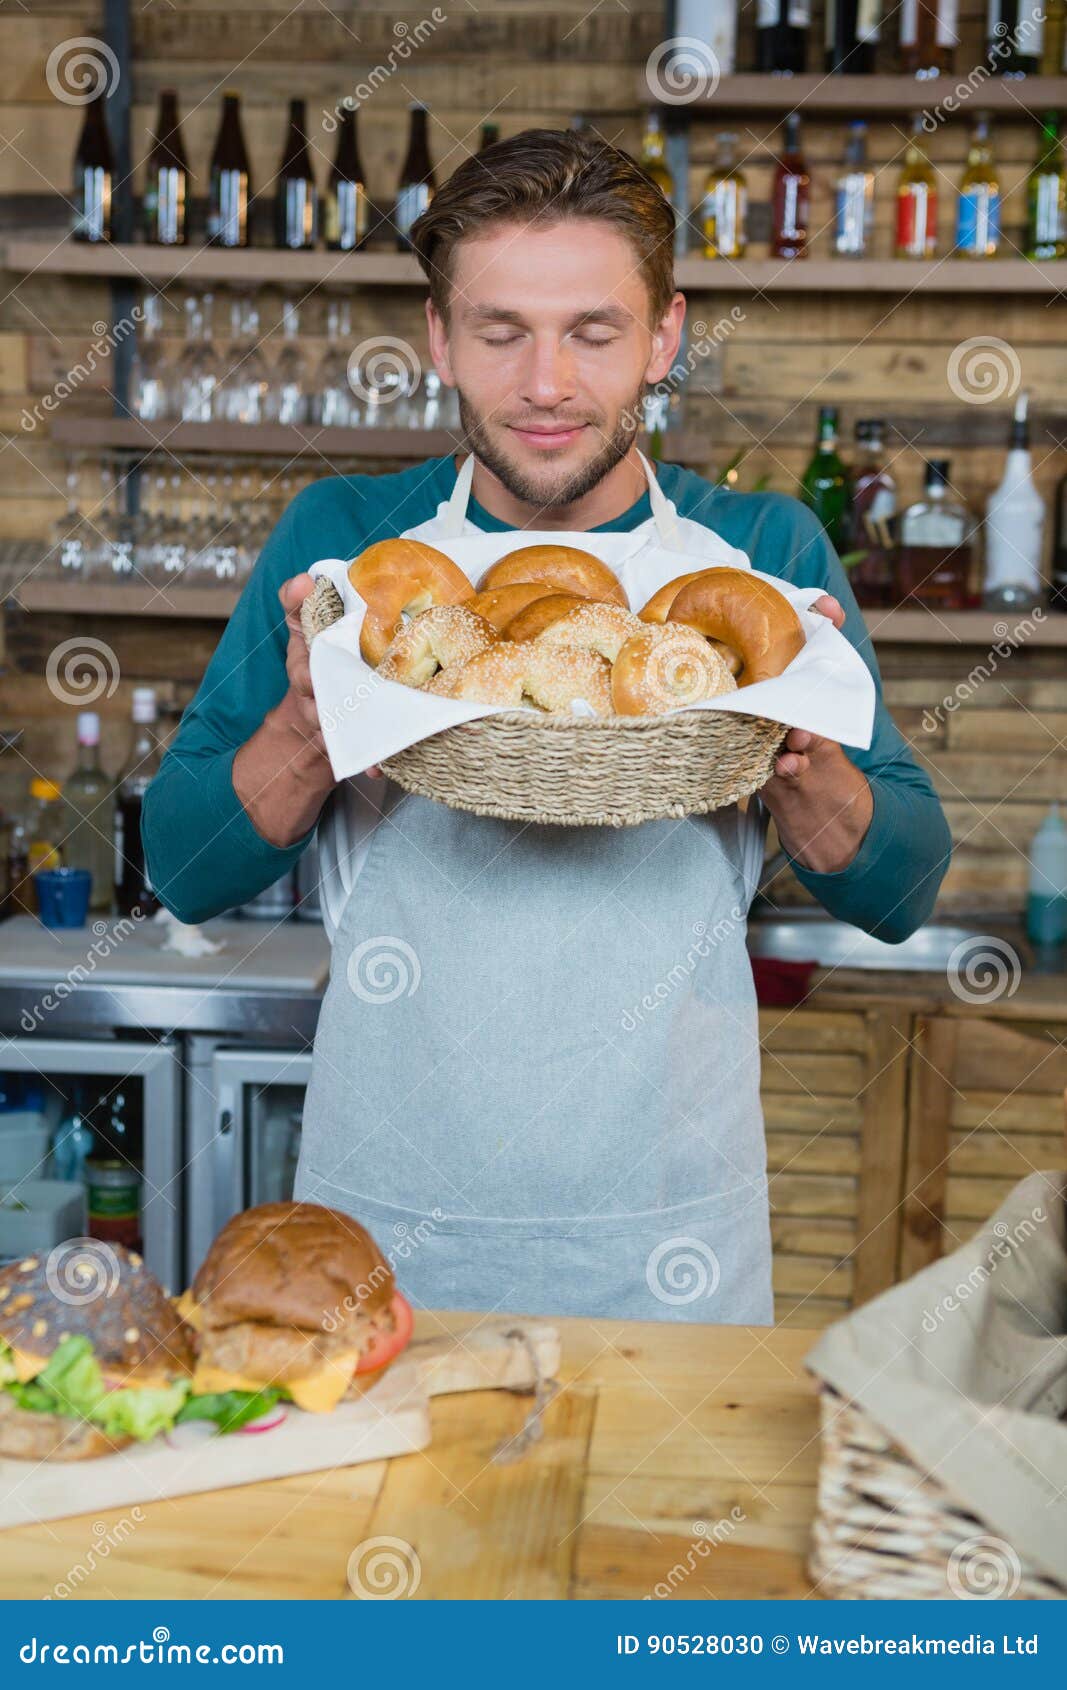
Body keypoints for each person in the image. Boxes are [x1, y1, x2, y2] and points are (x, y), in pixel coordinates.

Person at [143, 128, 951, 1325]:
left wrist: (798, 748)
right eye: (499, 330)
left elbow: (902, 889)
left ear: (663, 337)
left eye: (592, 331)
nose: (544, 385)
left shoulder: (760, 560)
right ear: (437, 339)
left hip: (668, 1224)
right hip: (385, 1215)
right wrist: (317, 722)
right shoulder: (351, 552)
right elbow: (186, 867)